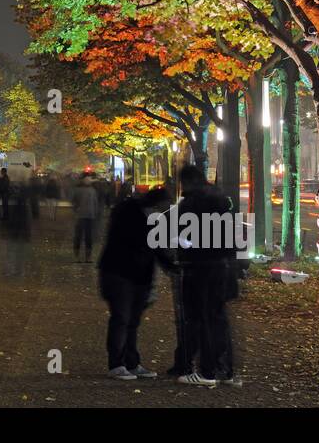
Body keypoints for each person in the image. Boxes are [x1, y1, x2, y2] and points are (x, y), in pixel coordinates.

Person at [98, 186, 173, 379]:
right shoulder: (130, 213)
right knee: (122, 319)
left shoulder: (142, 215)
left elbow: (155, 246)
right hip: (120, 273)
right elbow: (147, 244)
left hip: (135, 275)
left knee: (130, 321)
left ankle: (131, 362)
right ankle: (116, 364)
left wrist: (169, 265)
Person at [174, 164, 237, 386]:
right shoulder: (222, 200)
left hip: (198, 267)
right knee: (219, 319)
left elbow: (181, 236)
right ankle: (226, 371)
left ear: (187, 181)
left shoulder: (190, 203)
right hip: (221, 266)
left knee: (201, 319)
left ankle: (206, 372)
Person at [72, 172, 101, 262]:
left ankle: (86, 257)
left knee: (87, 237)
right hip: (83, 216)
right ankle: (80, 256)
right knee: (80, 236)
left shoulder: (92, 190)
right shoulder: (83, 190)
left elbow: (95, 203)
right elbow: (74, 202)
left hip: (88, 216)